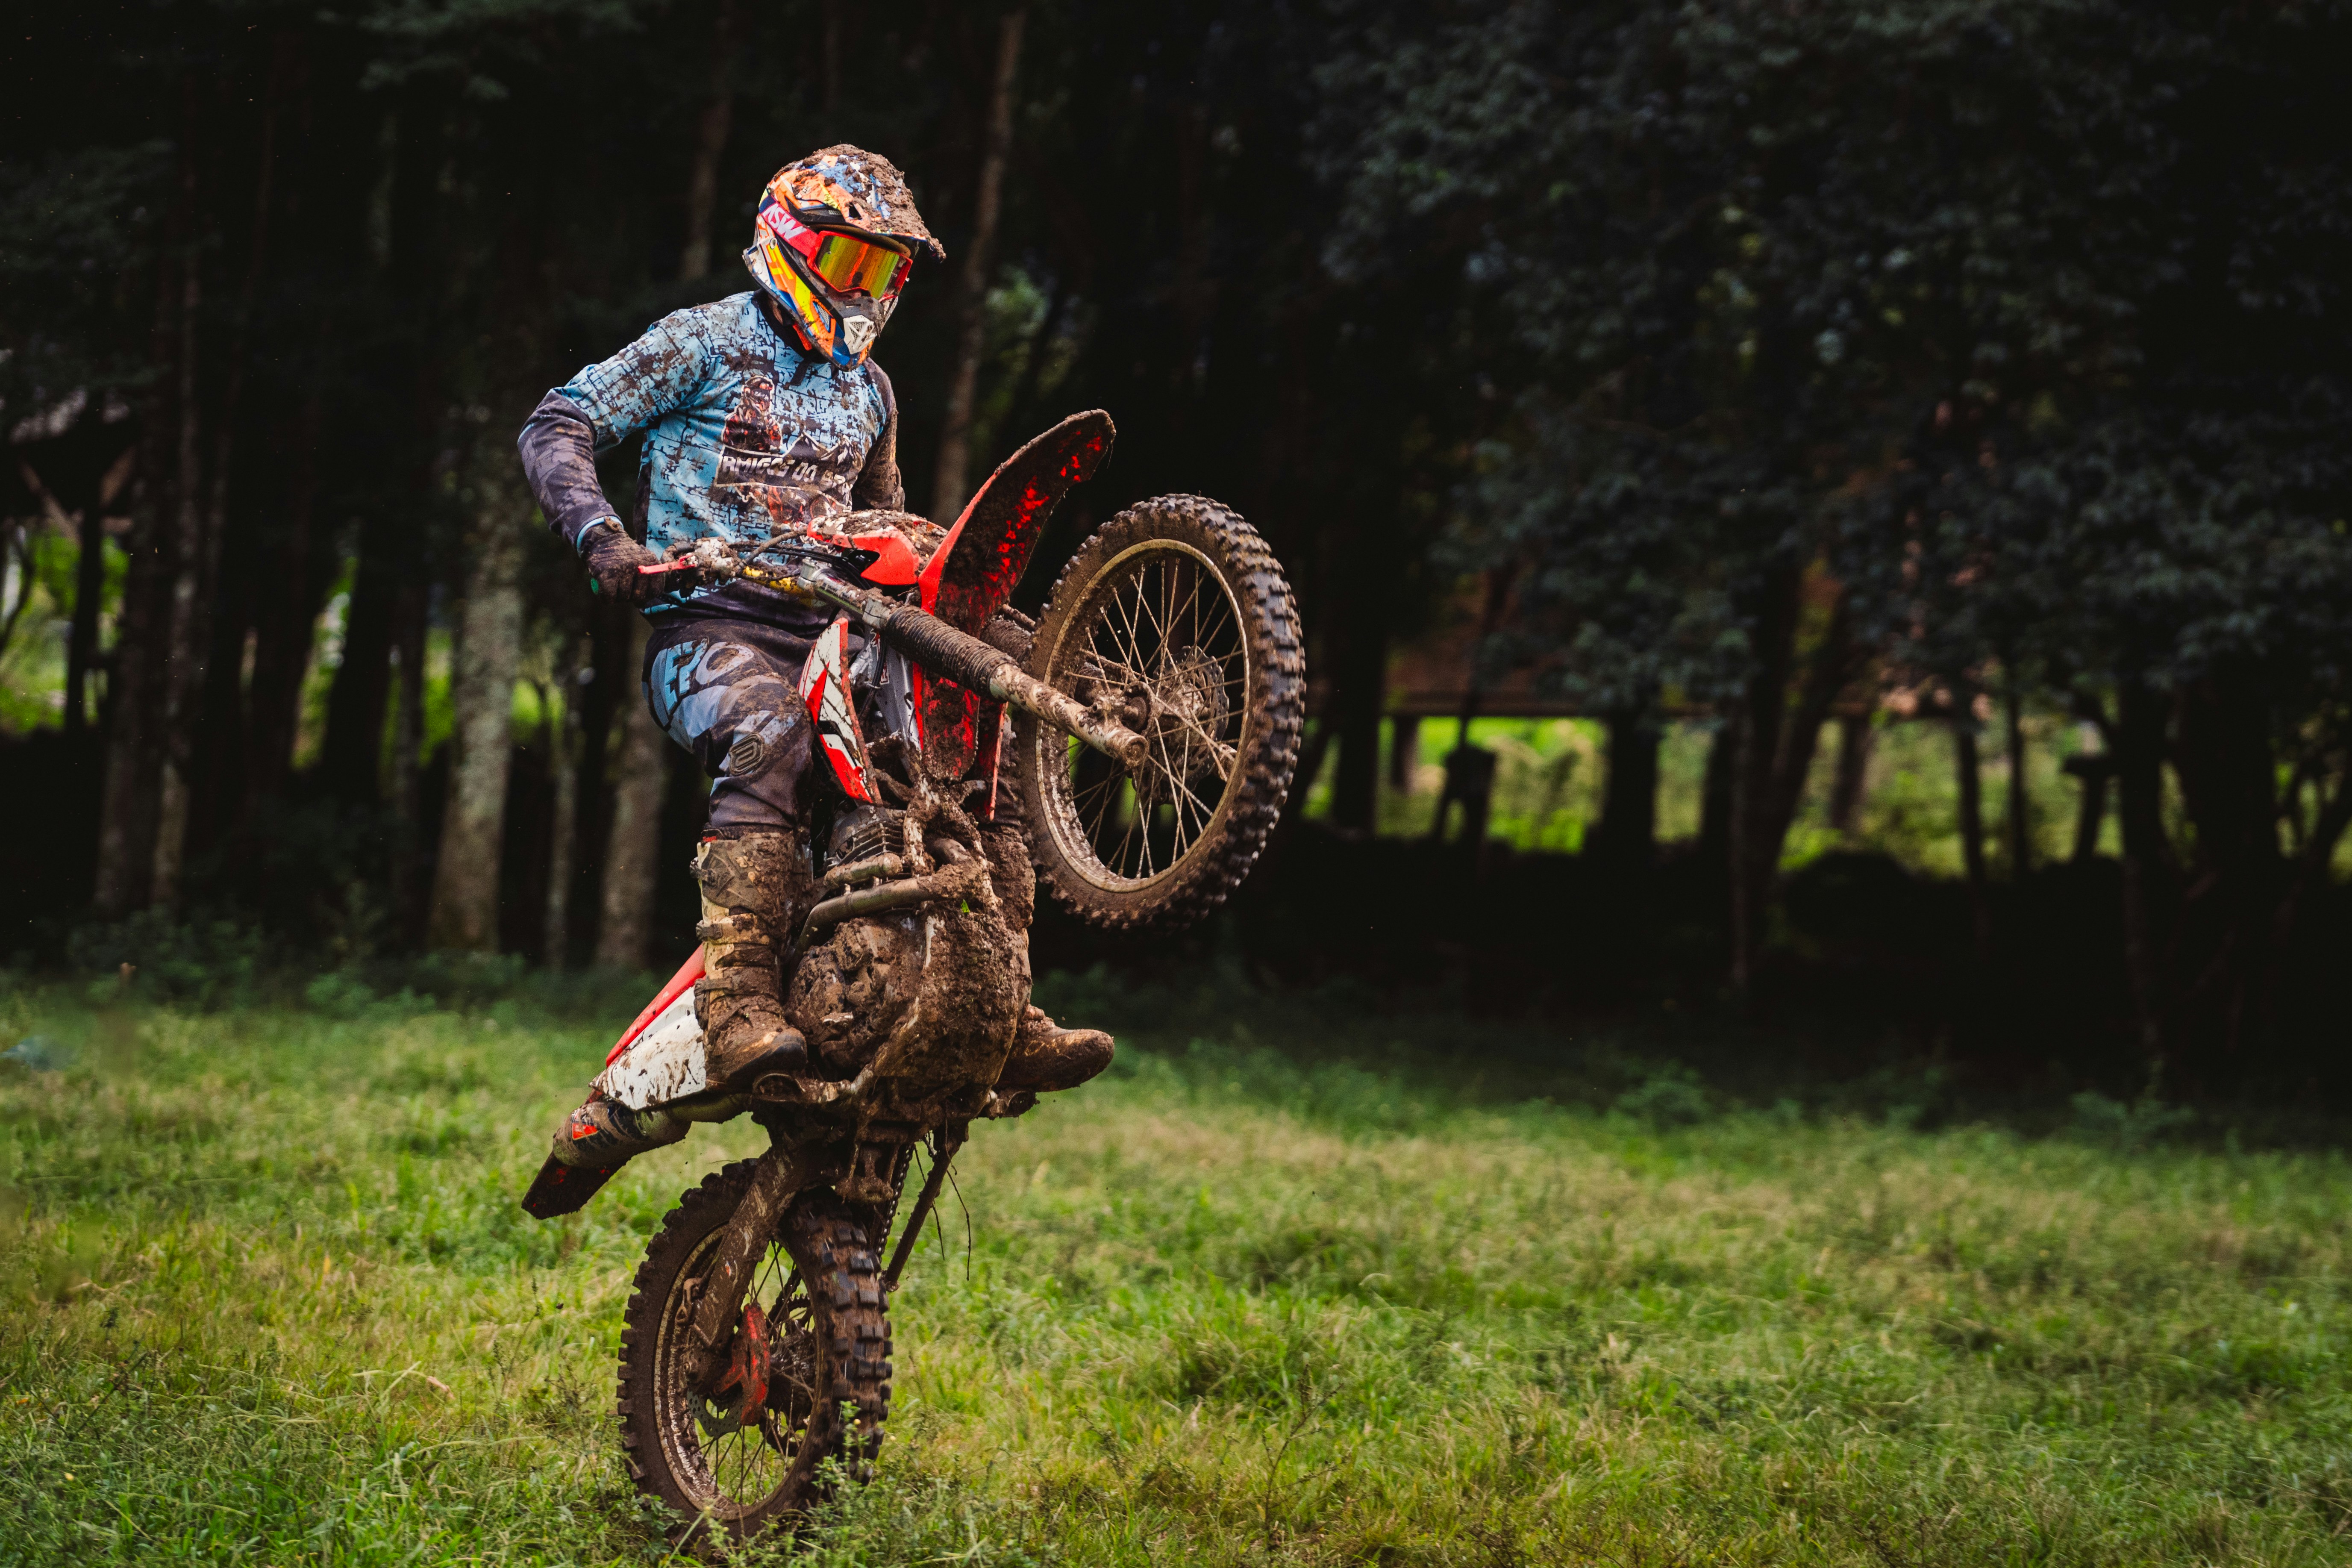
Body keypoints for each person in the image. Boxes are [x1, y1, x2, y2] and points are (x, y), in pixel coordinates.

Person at [518, 145, 1109, 1093]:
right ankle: (738, 1002)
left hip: (840, 625)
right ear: (788, 243)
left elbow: (878, 513)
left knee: (969, 736)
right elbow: (559, 421)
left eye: (885, 271)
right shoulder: (698, 342)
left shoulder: (870, 390)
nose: (865, 289)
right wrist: (602, 538)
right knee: (769, 733)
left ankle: (1007, 1002)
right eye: (850, 264)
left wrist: (912, 547)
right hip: (709, 625)